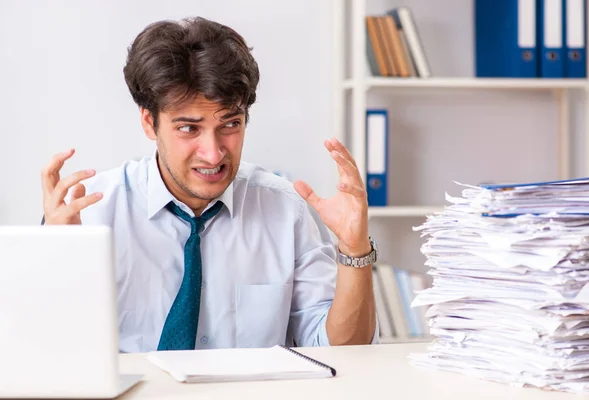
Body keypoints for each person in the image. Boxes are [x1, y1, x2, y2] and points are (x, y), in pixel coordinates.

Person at [40, 17, 378, 353]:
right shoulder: (91, 213)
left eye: (230, 124)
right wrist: (60, 259)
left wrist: (354, 249)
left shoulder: (284, 209)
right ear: (149, 122)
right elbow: (48, 354)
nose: (214, 153)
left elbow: (343, 351)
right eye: (189, 128)